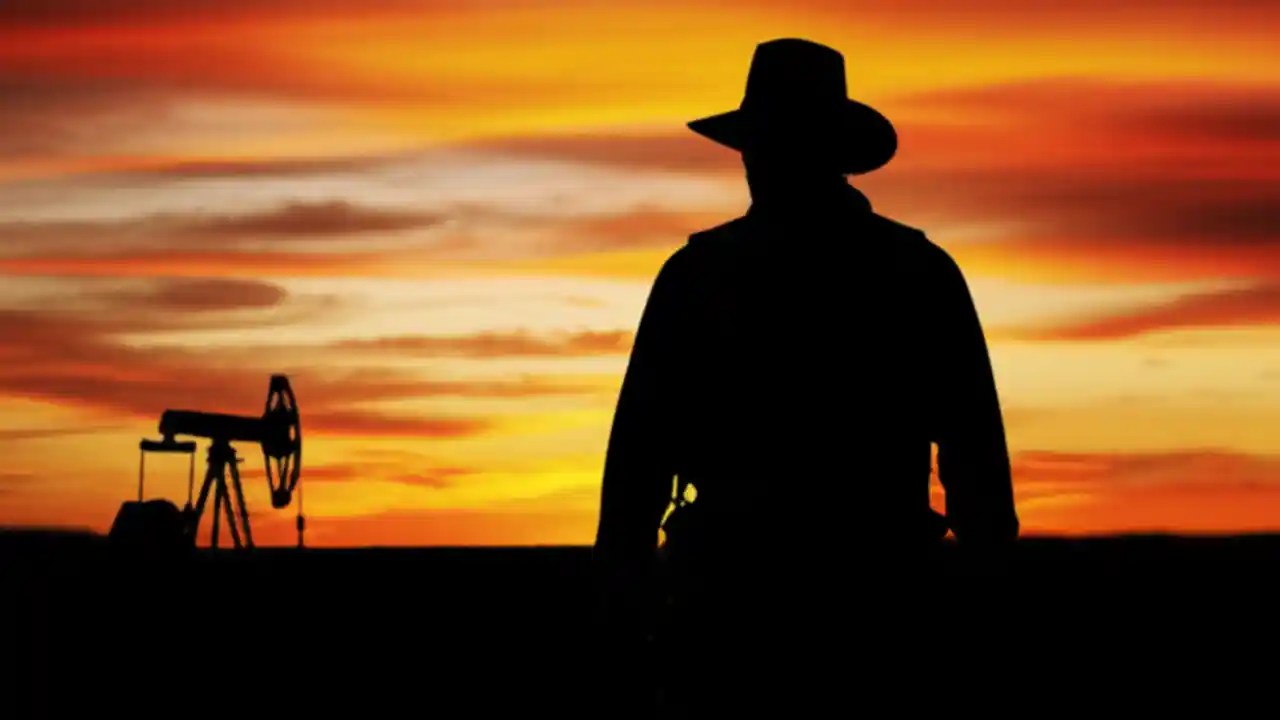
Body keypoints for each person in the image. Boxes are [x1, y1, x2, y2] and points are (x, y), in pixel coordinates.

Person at [591, 38, 1019, 715]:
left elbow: (636, 470)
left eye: (766, 144)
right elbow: (980, 472)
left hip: (733, 612)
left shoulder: (697, 277)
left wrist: (622, 601)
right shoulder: (920, 273)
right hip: (877, 610)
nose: (758, 163)